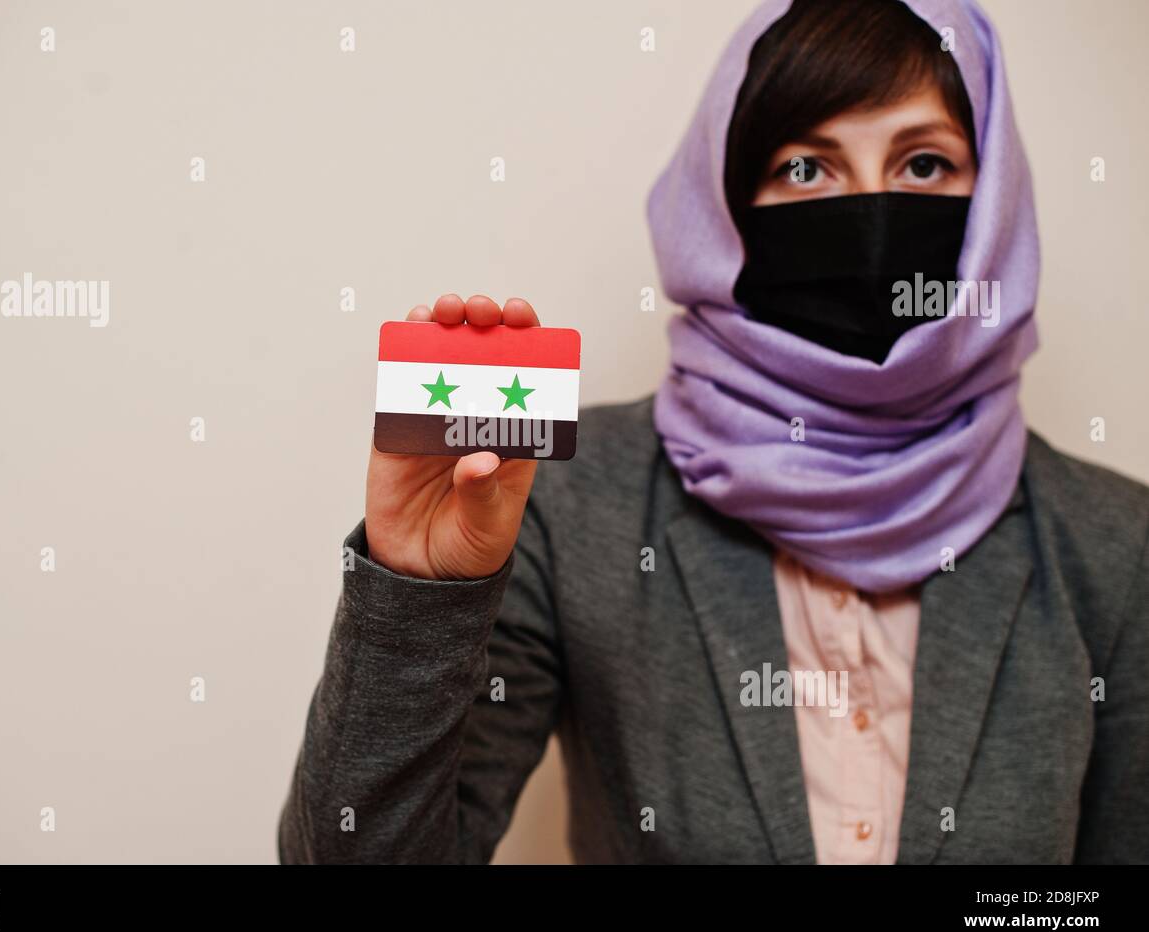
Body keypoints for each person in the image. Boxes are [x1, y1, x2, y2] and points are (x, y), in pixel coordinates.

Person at [278, 0, 1149, 864]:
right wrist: (419, 592)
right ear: (728, 199)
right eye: (806, 169)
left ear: (994, 198)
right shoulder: (569, 505)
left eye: (924, 164)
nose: (872, 215)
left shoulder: (1115, 545)